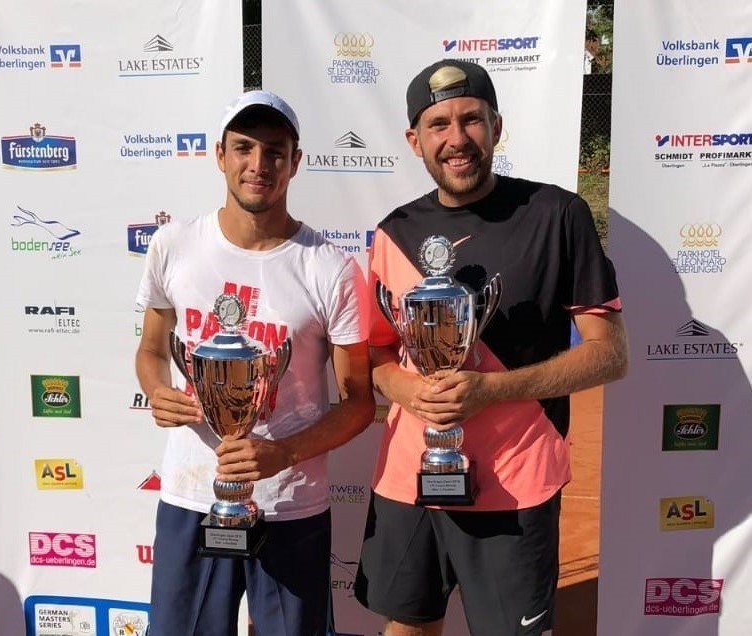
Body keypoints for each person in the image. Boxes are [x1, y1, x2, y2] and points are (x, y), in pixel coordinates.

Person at [354, 59, 628, 636]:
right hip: (411, 477)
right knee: (407, 625)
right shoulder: (393, 232)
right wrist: (412, 391)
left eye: (471, 119)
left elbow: (609, 353)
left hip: (516, 483)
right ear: (414, 140)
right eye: (438, 125)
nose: (457, 139)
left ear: (496, 126)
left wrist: (493, 390)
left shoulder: (557, 215)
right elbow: (377, 357)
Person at [135, 89, 375, 636]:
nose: (258, 165)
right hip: (193, 496)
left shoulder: (328, 267)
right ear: (219, 154)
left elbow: (359, 402)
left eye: (275, 150)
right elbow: (152, 349)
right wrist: (156, 389)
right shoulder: (174, 245)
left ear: (296, 161)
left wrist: (284, 452)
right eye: (244, 148)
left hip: (290, 504)